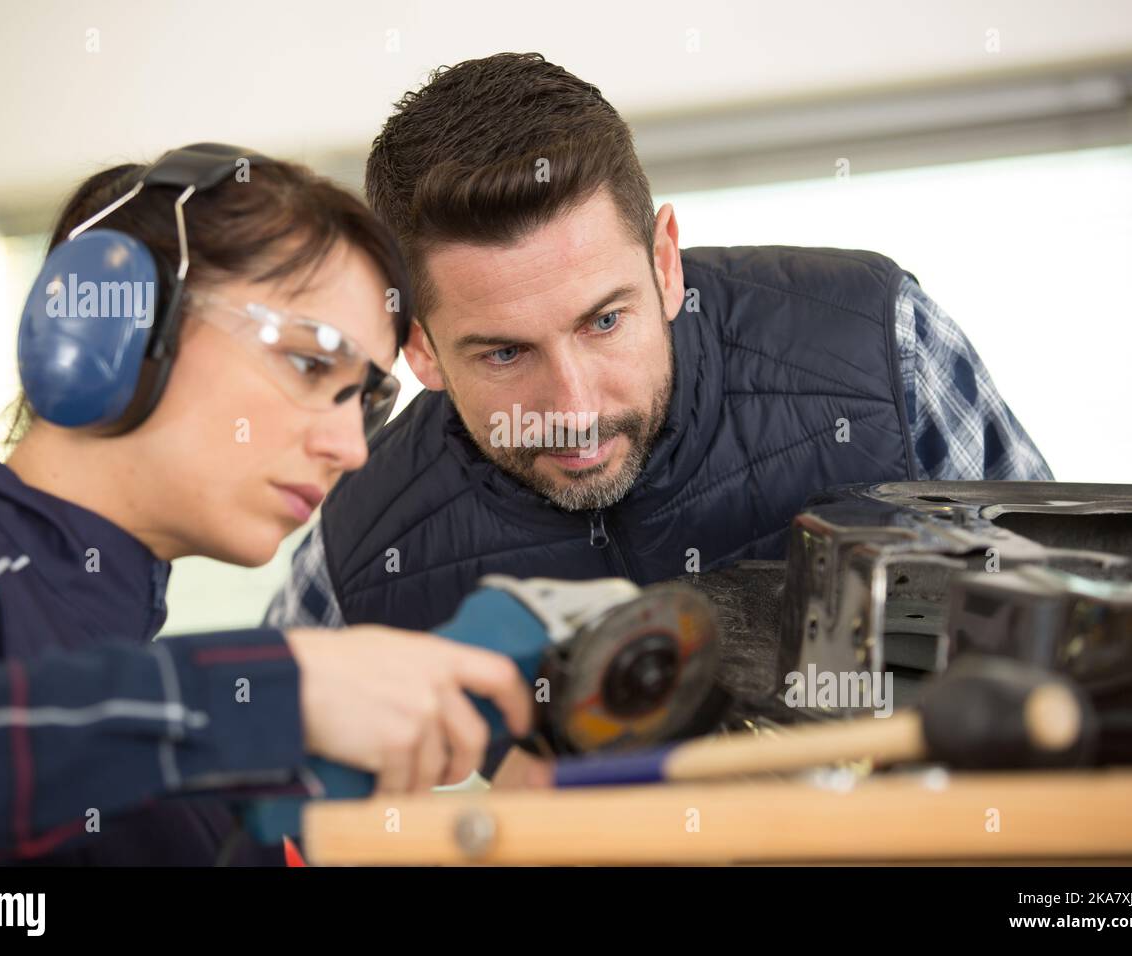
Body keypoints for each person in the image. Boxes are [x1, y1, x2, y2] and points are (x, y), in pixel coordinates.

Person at [262, 55, 1054, 781]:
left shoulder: (885, 348)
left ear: (665, 260)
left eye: (605, 322)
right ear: (419, 350)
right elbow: (258, 792)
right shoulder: (367, 542)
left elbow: (1069, 649)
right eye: (504, 355)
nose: (574, 410)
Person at [0, 143, 532, 864]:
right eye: (311, 361)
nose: (350, 448)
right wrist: (288, 687)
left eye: (365, 401)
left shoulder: (186, 761)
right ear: (114, 327)